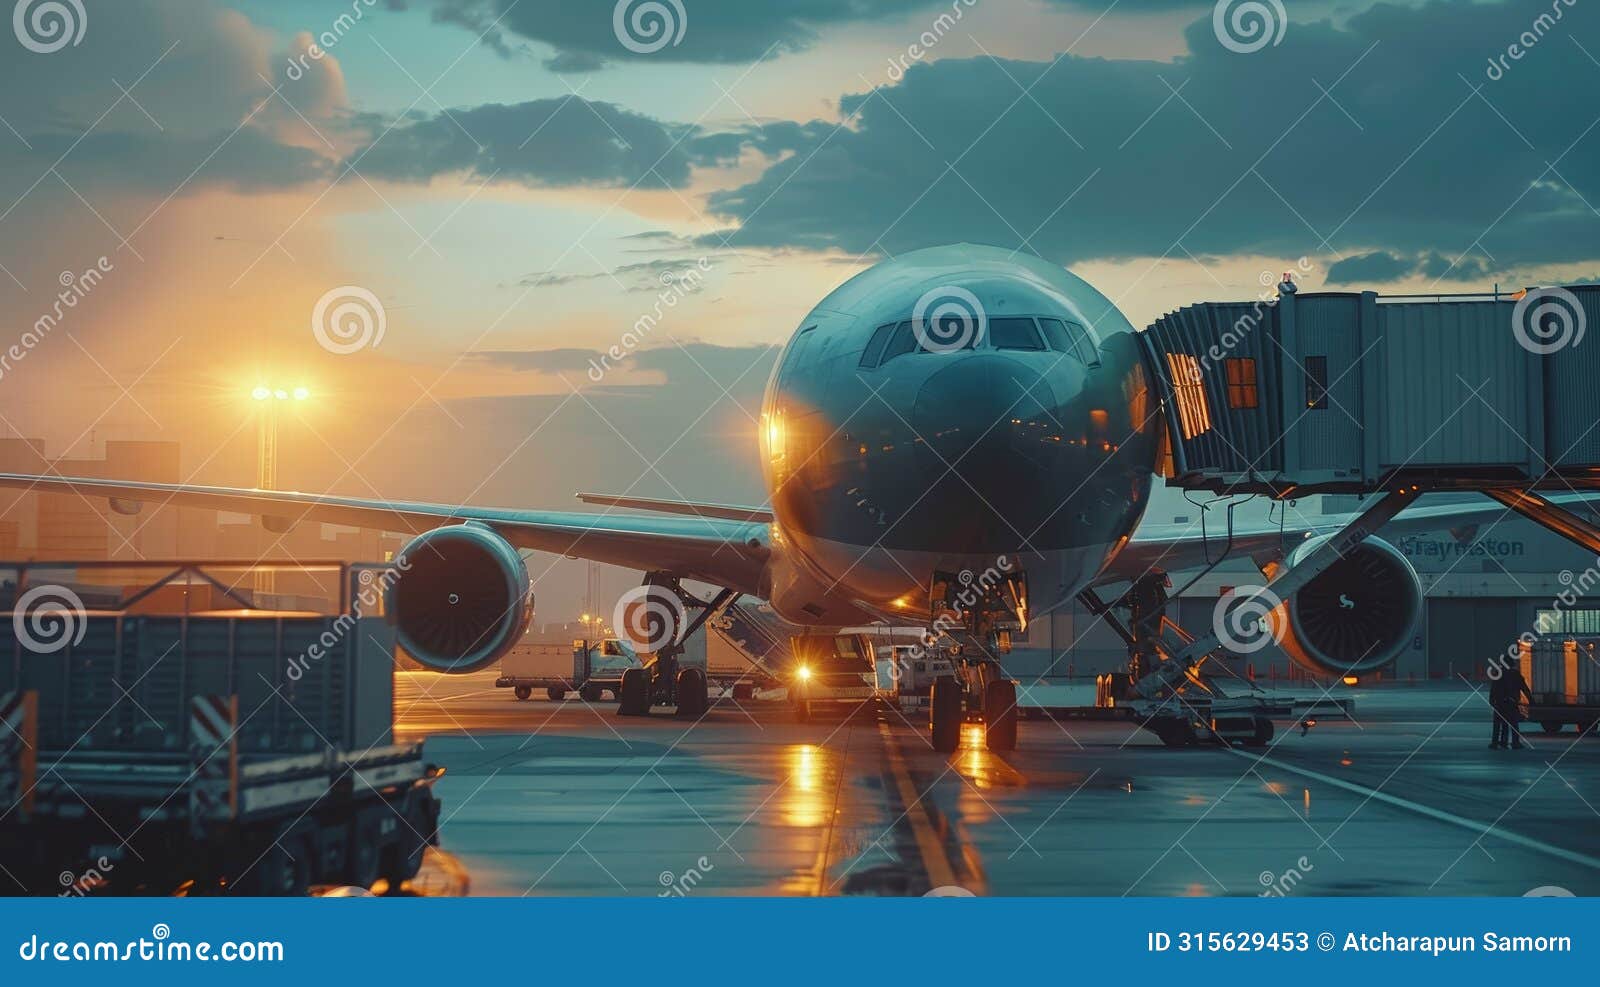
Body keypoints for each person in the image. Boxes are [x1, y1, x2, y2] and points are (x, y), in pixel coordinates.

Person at [1489, 663, 1532, 750]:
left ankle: (1496, 742)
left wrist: (1491, 700)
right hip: (1512, 702)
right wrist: (1531, 700)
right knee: (1513, 723)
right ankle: (1515, 742)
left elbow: (1493, 688)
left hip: (1499, 702)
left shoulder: (1498, 673)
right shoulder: (1515, 674)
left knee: (1498, 724)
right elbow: (1524, 688)